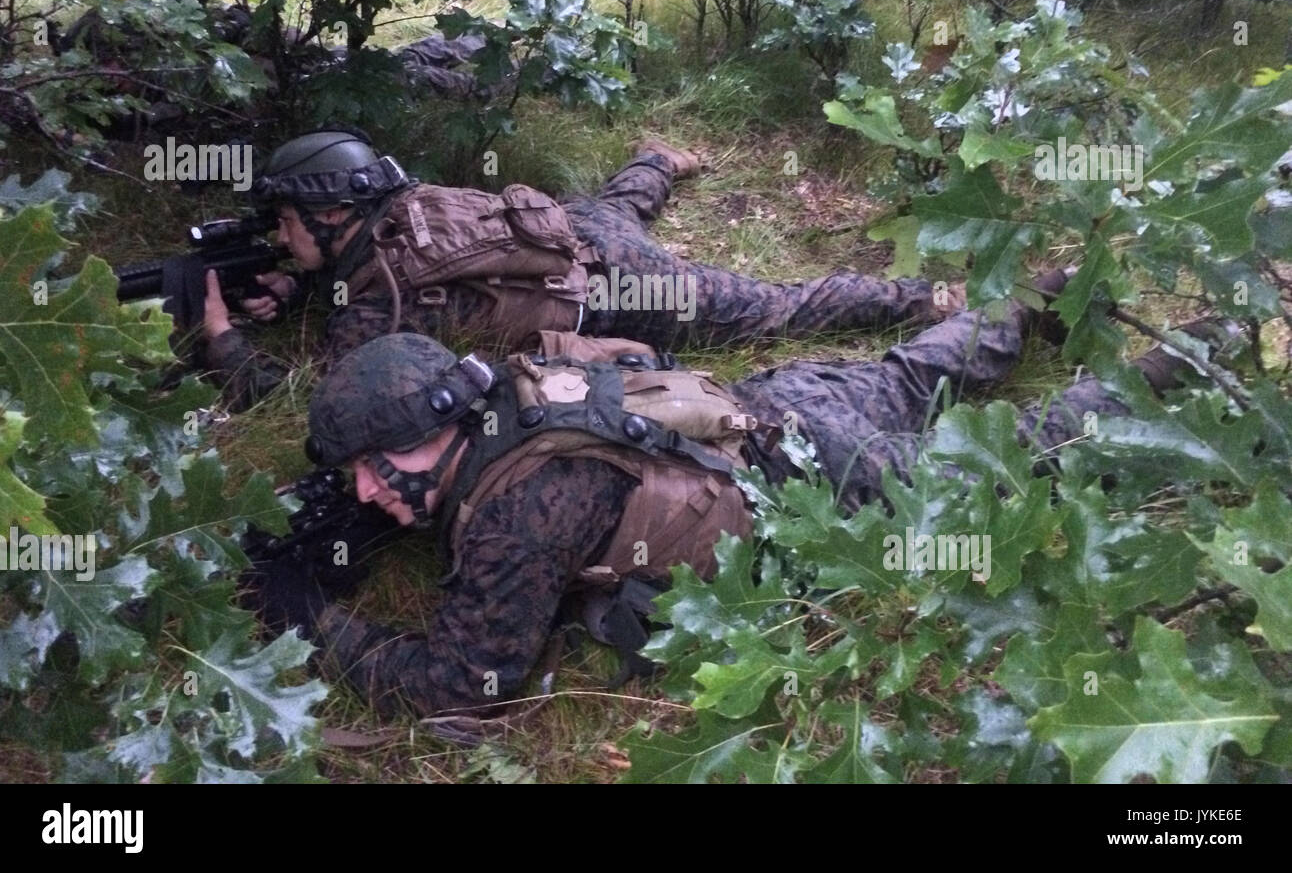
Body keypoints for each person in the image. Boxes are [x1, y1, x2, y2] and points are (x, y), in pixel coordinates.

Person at [250, 270, 1229, 720]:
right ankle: (1039, 291)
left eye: (386, 465)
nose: (373, 492)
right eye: (359, 478)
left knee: (1034, 450)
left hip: (832, 489)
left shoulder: (518, 510)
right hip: (771, 402)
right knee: (924, 365)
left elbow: (465, 684)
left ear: (443, 424)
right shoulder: (507, 383)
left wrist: (314, 620)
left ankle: (1194, 353)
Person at [200, 127, 962, 408]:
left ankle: (930, 299)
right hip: (572, 225)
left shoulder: (381, 315)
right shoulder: (405, 204)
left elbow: (297, 400)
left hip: (620, 290)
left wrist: (224, 340)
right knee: (617, 204)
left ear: (336, 219)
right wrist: (297, 281)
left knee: (777, 308)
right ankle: (657, 159)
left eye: (290, 222)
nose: (280, 234)